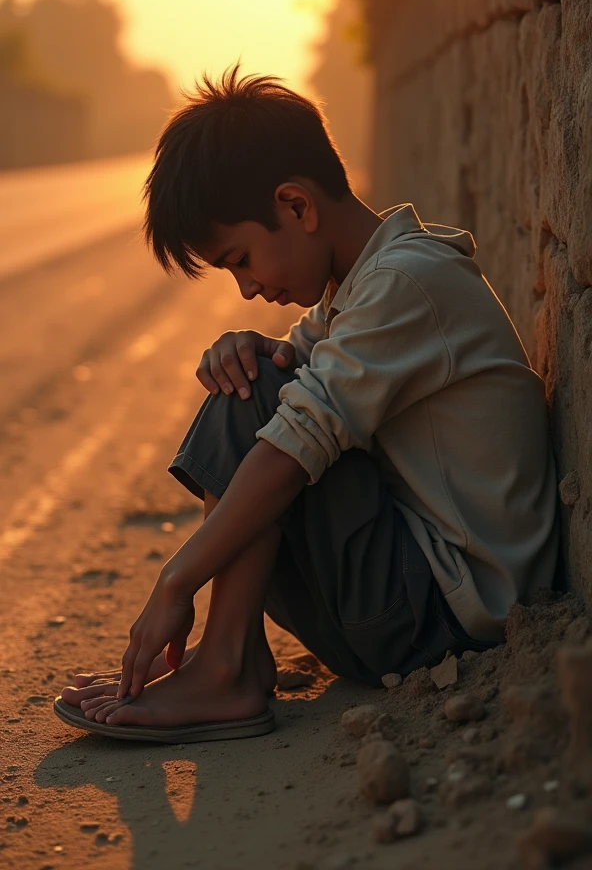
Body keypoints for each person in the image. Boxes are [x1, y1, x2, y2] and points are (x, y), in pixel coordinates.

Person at [54, 66, 558, 743]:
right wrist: (251, 347)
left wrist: (176, 583)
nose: (247, 288)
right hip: (405, 604)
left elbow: (294, 436)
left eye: (241, 260)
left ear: (296, 206)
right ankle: (229, 659)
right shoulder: (356, 289)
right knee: (255, 374)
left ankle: (228, 671)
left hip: (450, 618)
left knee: (262, 398)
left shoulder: (408, 281)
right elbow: (295, 377)